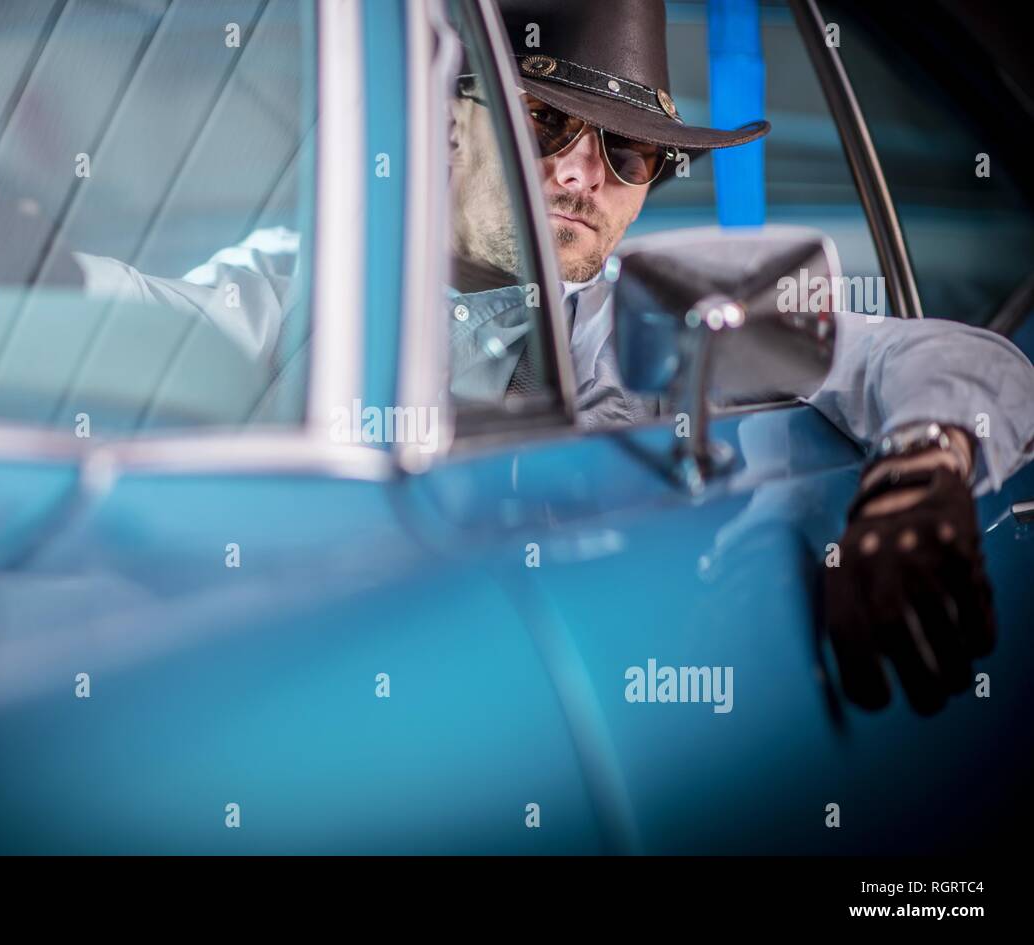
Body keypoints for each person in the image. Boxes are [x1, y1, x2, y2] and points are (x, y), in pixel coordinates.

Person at [69, 0, 1034, 716]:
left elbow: (937, 358)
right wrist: (11, 263)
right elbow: (145, 321)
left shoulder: (655, 316)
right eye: (545, 123)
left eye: (631, 153)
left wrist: (927, 465)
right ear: (450, 120)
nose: (583, 175)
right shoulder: (304, 285)